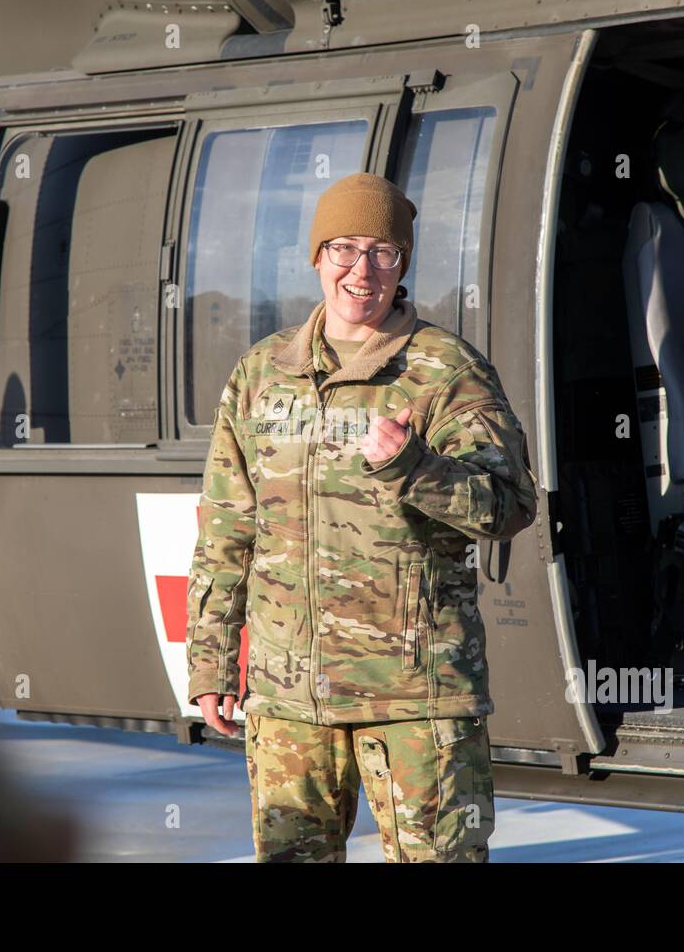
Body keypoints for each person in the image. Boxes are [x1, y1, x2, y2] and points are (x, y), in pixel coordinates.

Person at [185, 171, 537, 862]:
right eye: (343, 247)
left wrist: (416, 469)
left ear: (403, 263)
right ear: (317, 257)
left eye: (383, 251)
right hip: (290, 705)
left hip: (415, 701)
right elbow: (227, 530)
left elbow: (509, 506)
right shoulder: (261, 375)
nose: (361, 269)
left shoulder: (446, 371)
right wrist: (211, 662)